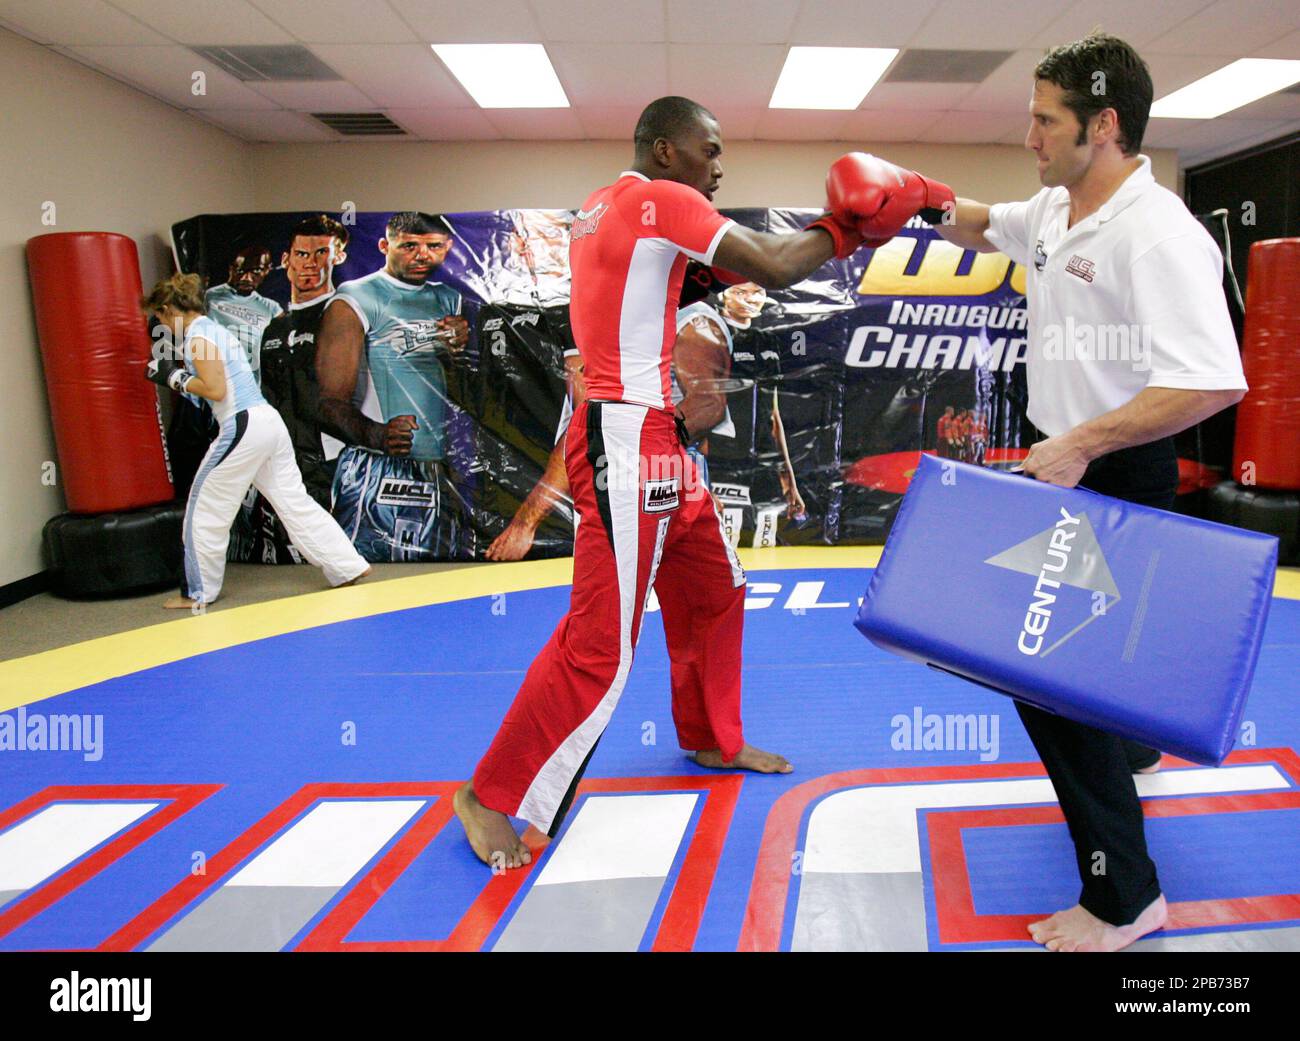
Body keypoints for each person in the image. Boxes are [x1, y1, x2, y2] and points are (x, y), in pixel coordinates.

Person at [455, 95, 943, 869]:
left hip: (658, 437)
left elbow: (692, 280)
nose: (719, 167)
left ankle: (712, 737)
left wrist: (846, 230)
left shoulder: (607, 207)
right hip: (623, 435)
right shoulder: (659, 199)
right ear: (664, 149)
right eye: (708, 150)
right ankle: (489, 794)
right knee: (600, 643)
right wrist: (849, 226)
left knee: (716, 584)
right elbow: (775, 264)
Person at [918, 33, 1248, 951]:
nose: (1029, 135)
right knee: (1088, 665)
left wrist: (1084, 443)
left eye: (1044, 119)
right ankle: (1132, 747)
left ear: (1102, 125)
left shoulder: (1158, 234)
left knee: (1048, 680)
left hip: (1113, 468)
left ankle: (1124, 896)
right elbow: (983, 223)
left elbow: (1213, 381)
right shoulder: (1059, 208)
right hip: (1061, 462)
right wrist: (913, 202)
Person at [141, 274, 370, 609]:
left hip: (243, 424)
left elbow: (216, 390)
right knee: (294, 501)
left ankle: (197, 592)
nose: (161, 325)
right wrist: (180, 376)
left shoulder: (197, 337)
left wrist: (175, 377)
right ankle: (348, 566)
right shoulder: (214, 330)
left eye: (159, 317)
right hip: (267, 423)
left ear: (167, 310)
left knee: (204, 508)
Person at [315, 212, 474, 561]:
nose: (422, 256)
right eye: (409, 246)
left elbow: (453, 388)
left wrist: (457, 350)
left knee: (439, 574)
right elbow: (327, 400)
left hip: (435, 464)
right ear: (384, 246)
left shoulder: (448, 298)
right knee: (371, 571)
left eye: (433, 247)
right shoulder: (355, 297)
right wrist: (376, 434)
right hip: (377, 465)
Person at [251, 215, 351, 562]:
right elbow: (268, 391)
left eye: (321, 253)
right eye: (302, 254)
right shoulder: (274, 327)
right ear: (286, 260)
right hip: (285, 451)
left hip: (333, 456)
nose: (310, 263)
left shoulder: (348, 315)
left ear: (338, 257)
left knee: (333, 546)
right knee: (293, 546)